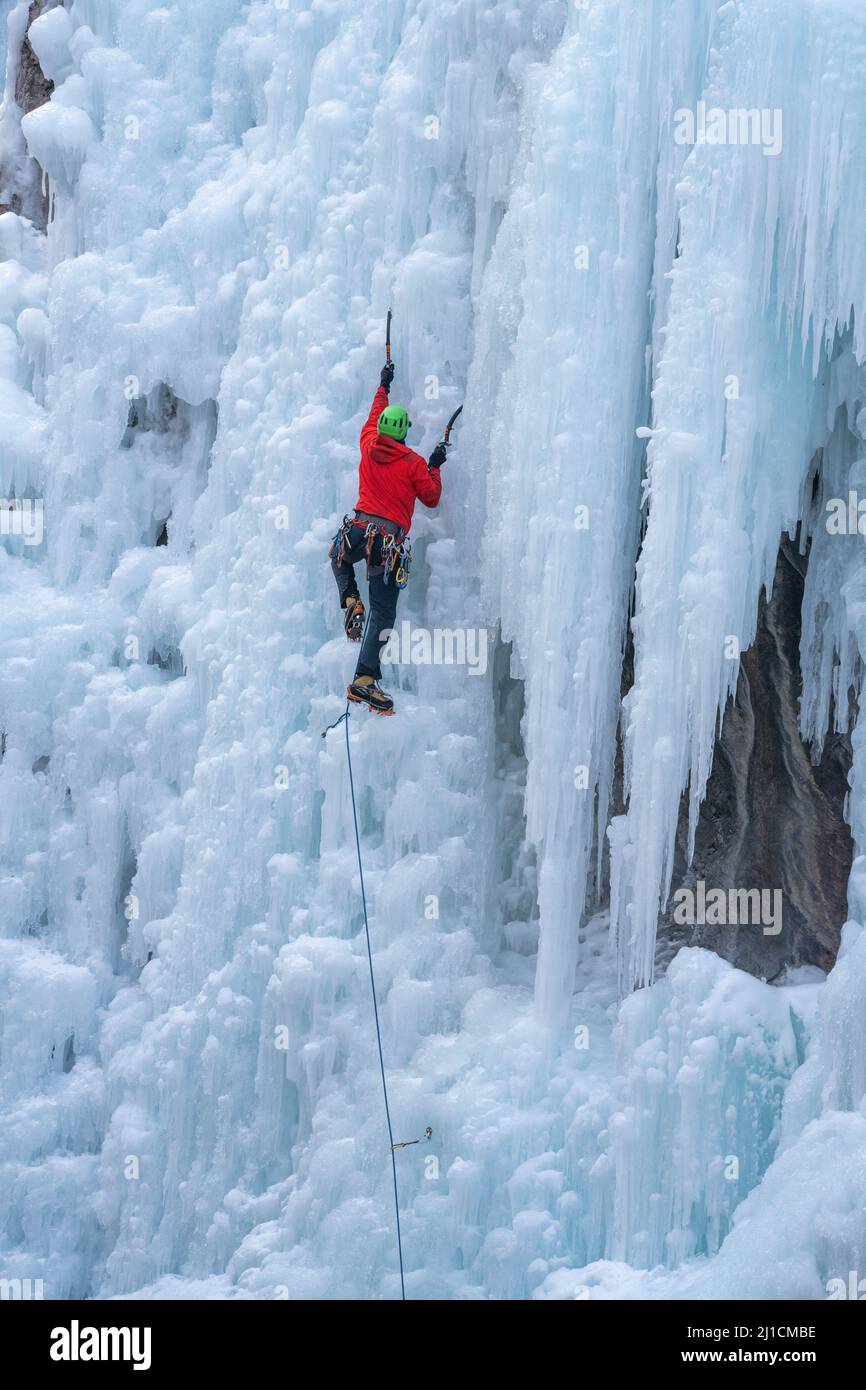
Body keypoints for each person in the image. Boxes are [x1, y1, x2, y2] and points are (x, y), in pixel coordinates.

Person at [330, 362, 445, 713]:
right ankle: (365, 678)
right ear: (405, 433)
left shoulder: (367, 444)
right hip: (386, 545)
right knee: (382, 611)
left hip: (357, 532)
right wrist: (435, 465)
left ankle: (350, 599)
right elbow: (431, 497)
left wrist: (384, 385)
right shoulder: (412, 463)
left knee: (338, 559)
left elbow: (374, 413)